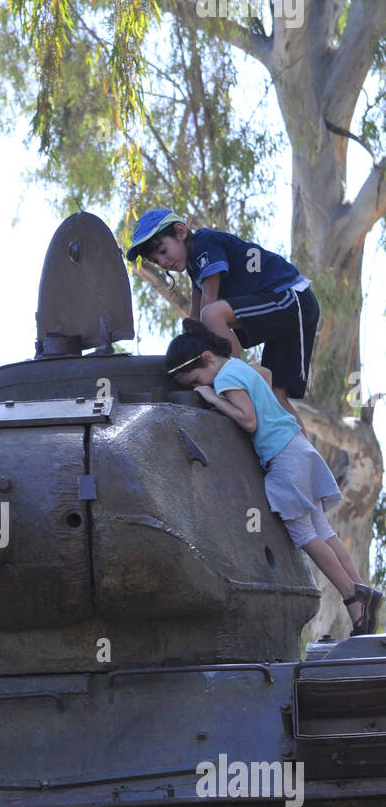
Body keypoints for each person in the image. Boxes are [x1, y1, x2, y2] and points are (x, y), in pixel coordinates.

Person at [165, 319, 381, 636]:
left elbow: (249, 421)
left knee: (305, 536)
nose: (200, 386)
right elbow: (266, 377)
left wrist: (214, 401)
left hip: (282, 458)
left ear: (207, 358)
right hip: (300, 447)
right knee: (324, 530)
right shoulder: (239, 367)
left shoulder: (223, 380)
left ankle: (352, 596)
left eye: (196, 379)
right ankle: (364, 594)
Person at [127, 208, 319, 423]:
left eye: (163, 251)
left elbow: (208, 305)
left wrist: (214, 369)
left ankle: (238, 380)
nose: (162, 263)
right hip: (288, 307)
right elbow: (194, 321)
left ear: (181, 231)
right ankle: (302, 454)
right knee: (276, 395)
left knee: (212, 313)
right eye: (155, 260)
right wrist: (183, 353)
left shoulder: (204, 244)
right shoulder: (194, 265)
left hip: (291, 299)